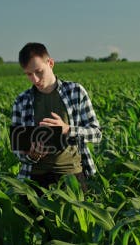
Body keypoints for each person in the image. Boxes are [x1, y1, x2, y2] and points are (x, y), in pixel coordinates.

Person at [11, 42, 101, 192]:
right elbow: (17, 150)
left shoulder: (75, 92)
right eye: (28, 74)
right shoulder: (21, 101)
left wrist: (67, 129)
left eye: (39, 71)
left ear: (50, 63)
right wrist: (32, 155)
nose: (35, 79)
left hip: (72, 176)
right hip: (35, 179)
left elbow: (97, 134)